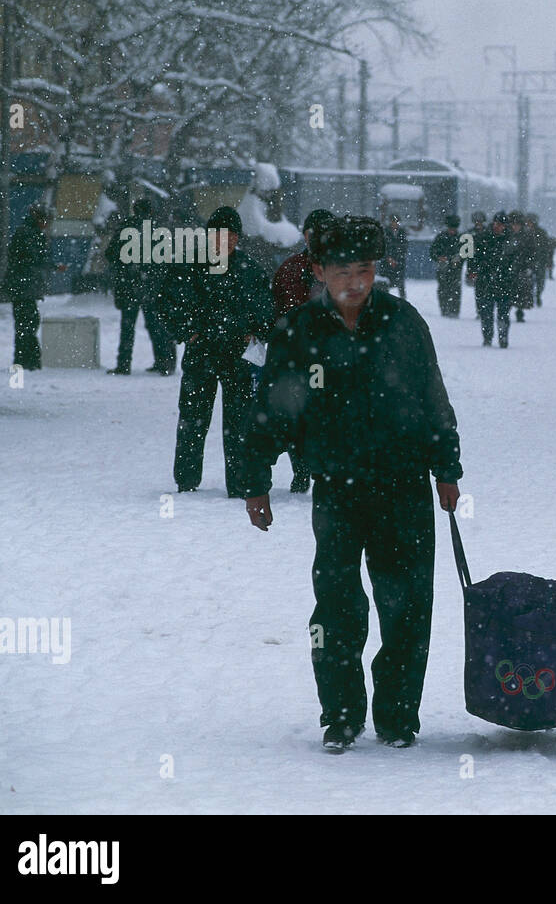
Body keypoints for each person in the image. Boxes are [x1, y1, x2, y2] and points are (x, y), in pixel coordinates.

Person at [240, 215, 464, 752]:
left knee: (407, 605)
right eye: (342, 271)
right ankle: (339, 715)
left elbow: (433, 397)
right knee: (337, 606)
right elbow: (273, 410)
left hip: (404, 484)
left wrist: (447, 467)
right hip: (337, 490)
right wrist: (255, 479)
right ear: (318, 270)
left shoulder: (404, 322)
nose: (356, 282)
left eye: (364, 270)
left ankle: (397, 716)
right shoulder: (298, 330)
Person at [172, 206, 273, 497]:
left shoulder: (250, 270)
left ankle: (241, 483)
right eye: (218, 235)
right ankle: (187, 480)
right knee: (192, 418)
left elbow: (266, 309)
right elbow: (169, 303)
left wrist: (256, 331)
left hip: (238, 356)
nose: (224, 241)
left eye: (230, 236)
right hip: (201, 353)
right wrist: (188, 333)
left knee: (240, 423)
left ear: (238, 238)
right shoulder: (190, 267)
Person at [267, 208, 337, 493]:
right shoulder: (291, 269)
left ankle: (319, 468)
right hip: (297, 354)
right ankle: (303, 468)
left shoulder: (342, 270)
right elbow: (276, 310)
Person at [105, 199, 177, 375]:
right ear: (151, 211)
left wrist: (126, 266)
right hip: (152, 286)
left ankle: (124, 364)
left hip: (129, 285)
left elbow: (110, 254)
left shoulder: (125, 228)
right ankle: (163, 362)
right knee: (155, 326)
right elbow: (167, 258)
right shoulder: (158, 230)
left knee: (127, 327)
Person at [1, 204, 57, 371]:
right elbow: (33, 259)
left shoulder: (25, 233)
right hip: (24, 286)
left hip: (21, 286)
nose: (47, 225)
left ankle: (24, 359)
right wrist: (51, 265)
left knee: (25, 323)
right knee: (28, 323)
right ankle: (28, 360)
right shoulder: (30, 234)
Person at [468, 211, 517, 348]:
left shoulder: (510, 241)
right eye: (496, 223)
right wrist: (473, 271)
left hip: (504, 282)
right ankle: (487, 337)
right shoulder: (482, 238)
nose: (497, 226)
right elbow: (473, 257)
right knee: (486, 313)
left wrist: (511, 274)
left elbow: (515, 261)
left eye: (500, 224)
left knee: (503, 314)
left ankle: (503, 338)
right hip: (486, 281)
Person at [430, 214, 463, 317]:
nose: (452, 231)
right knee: (443, 289)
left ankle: (454, 311)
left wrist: (458, 258)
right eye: (450, 228)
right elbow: (432, 251)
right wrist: (439, 257)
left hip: (455, 268)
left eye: (453, 228)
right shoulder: (441, 237)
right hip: (443, 267)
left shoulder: (460, 238)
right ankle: (444, 309)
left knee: (455, 289)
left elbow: (466, 253)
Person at [507, 211, 534, 323]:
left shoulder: (527, 235)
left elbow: (532, 252)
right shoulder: (506, 234)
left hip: (522, 267)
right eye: (513, 224)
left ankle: (520, 311)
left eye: (517, 224)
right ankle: (506, 310)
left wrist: (529, 265)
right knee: (506, 290)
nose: (515, 226)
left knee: (521, 291)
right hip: (507, 267)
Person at [381, 213, 408, 298]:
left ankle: (403, 303)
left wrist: (397, 259)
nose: (395, 224)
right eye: (393, 222)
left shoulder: (402, 232)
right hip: (386, 264)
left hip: (399, 263)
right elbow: (383, 247)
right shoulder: (385, 232)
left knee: (401, 285)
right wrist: (388, 258)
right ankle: (385, 302)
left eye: (397, 222)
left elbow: (404, 247)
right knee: (385, 285)